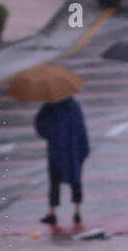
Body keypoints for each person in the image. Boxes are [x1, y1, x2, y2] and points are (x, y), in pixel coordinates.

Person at [35, 96, 90, 227]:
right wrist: (84, 149)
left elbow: (39, 124)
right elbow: (81, 128)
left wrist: (50, 134)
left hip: (59, 150)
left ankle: (53, 212)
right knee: (74, 180)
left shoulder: (50, 106)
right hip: (71, 150)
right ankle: (76, 211)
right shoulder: (72, 106)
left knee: (55, 182)